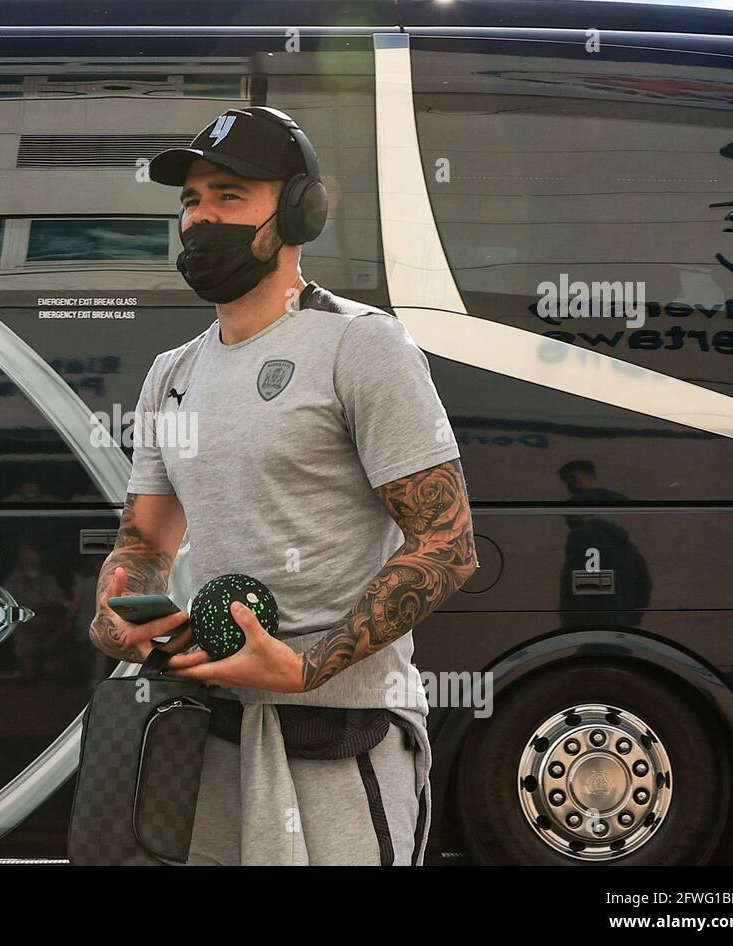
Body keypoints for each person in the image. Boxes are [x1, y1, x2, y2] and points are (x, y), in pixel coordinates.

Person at [88, 107, 477, 865]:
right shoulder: (173, 373)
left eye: (228, 197)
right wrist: (121, 617)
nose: (201, 219)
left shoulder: (360, 346)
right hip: (209, 740)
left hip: (339, 743)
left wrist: (306, 665)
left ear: (300, 210)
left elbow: (448, 543)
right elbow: (142, 543)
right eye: (190, 202)